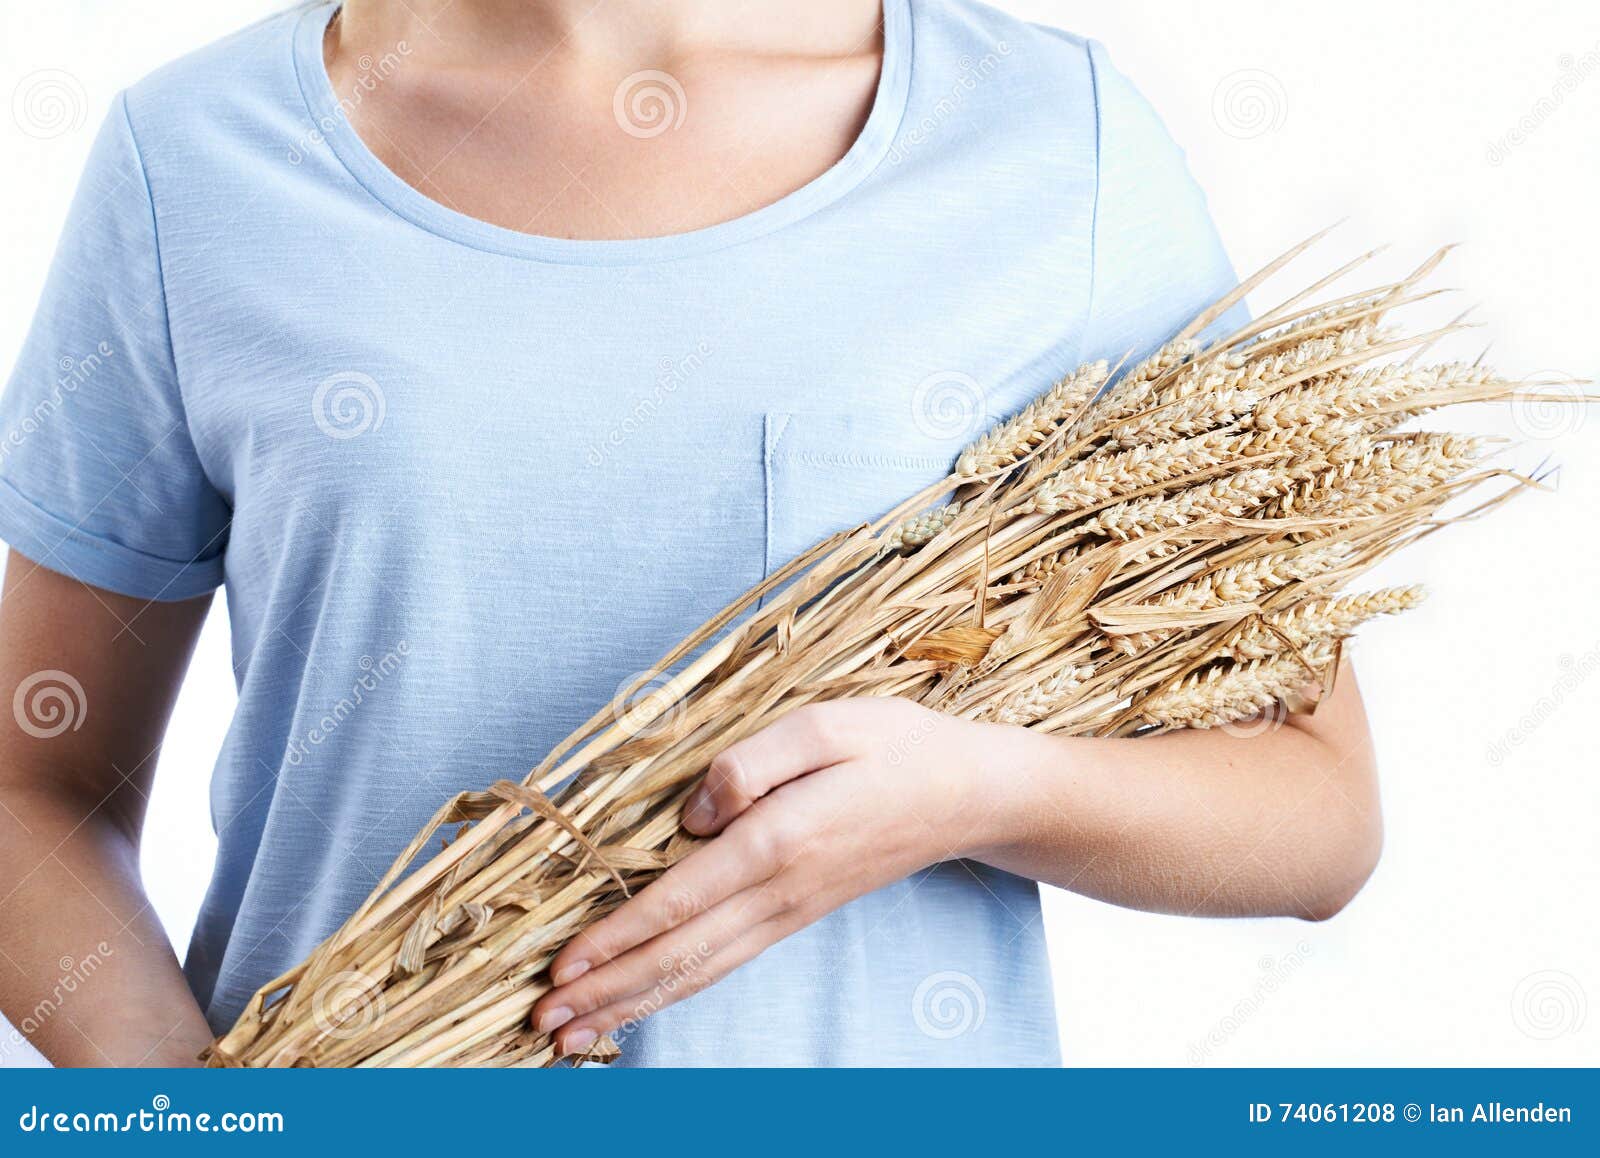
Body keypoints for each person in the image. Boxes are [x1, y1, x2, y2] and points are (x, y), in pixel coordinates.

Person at [0, 0, 1380, 1067]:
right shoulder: (198, 161)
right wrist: (192, 1107)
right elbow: (30, 784)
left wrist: (975, 791)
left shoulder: (1052, 139)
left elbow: (1317, 804)